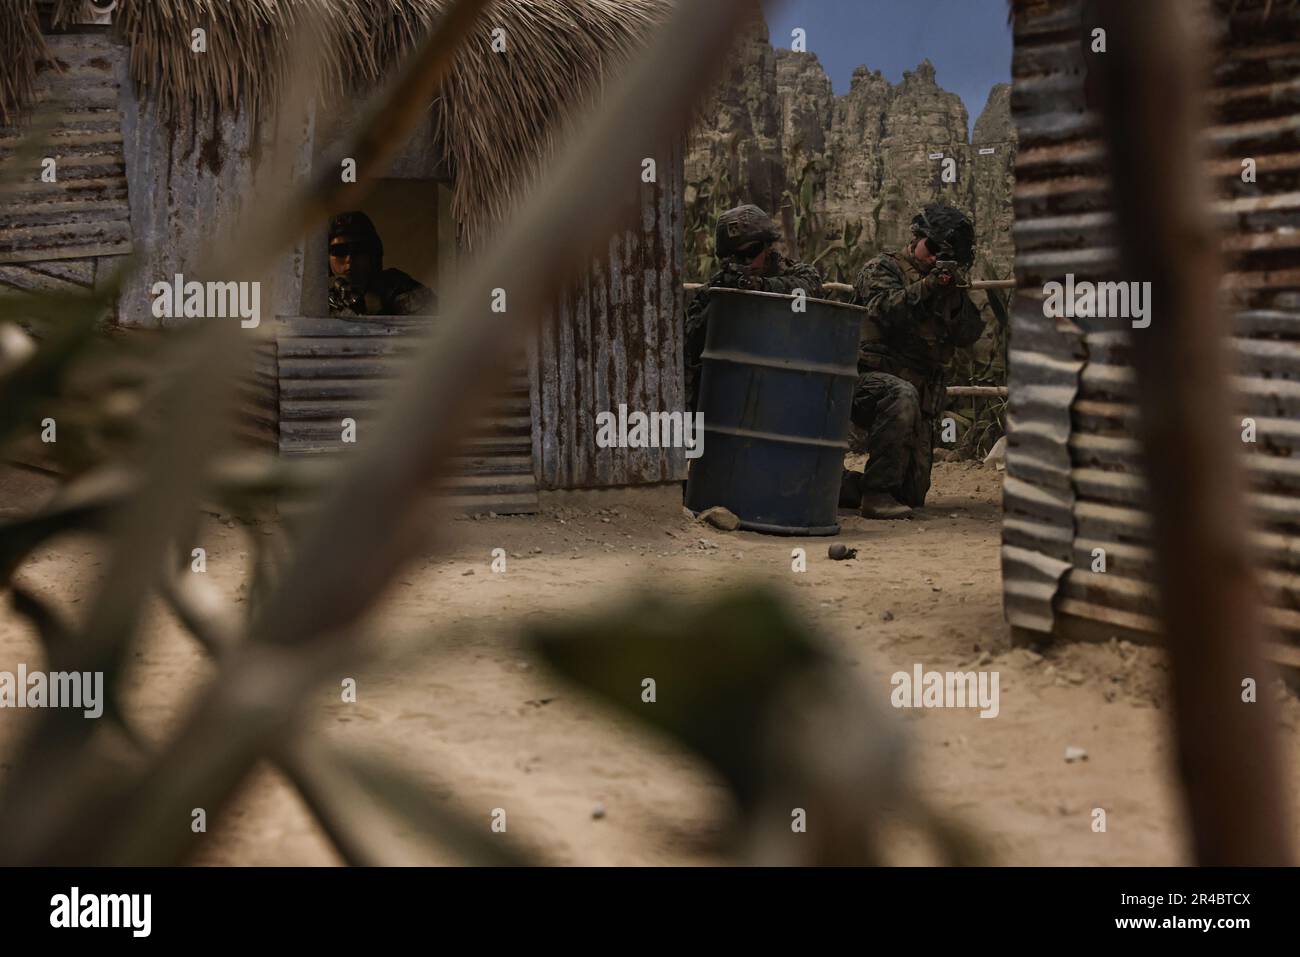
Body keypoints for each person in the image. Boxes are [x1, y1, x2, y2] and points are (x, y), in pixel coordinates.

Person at [842, 203, 985, 519]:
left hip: (915, 399)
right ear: (916, 237)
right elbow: (887, 310)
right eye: (931, 248)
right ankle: (875, 496)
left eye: (944, 255)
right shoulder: (881, 269)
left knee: (911, 495)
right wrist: (929, 286)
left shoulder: (944, 285)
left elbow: (970, 334)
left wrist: (953, 298)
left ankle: (842, 487)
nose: (934, 258)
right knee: (901, 393)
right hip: (865, 386)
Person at [684, 204, 822, 412]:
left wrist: (762, 288)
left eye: (752, 251)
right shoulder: (716, 288)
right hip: (731, 394)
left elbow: (807, 294)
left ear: (767, 246)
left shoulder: (797, 274)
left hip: (784, 386)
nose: (748, 261)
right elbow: (692, 342)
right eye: (738, 257)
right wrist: (723, 301)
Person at [327, 211, 434, 317]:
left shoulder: (396, 286)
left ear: (372, 254)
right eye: (339, 251)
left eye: (359, 249)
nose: (349, 258)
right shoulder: (325, 301)